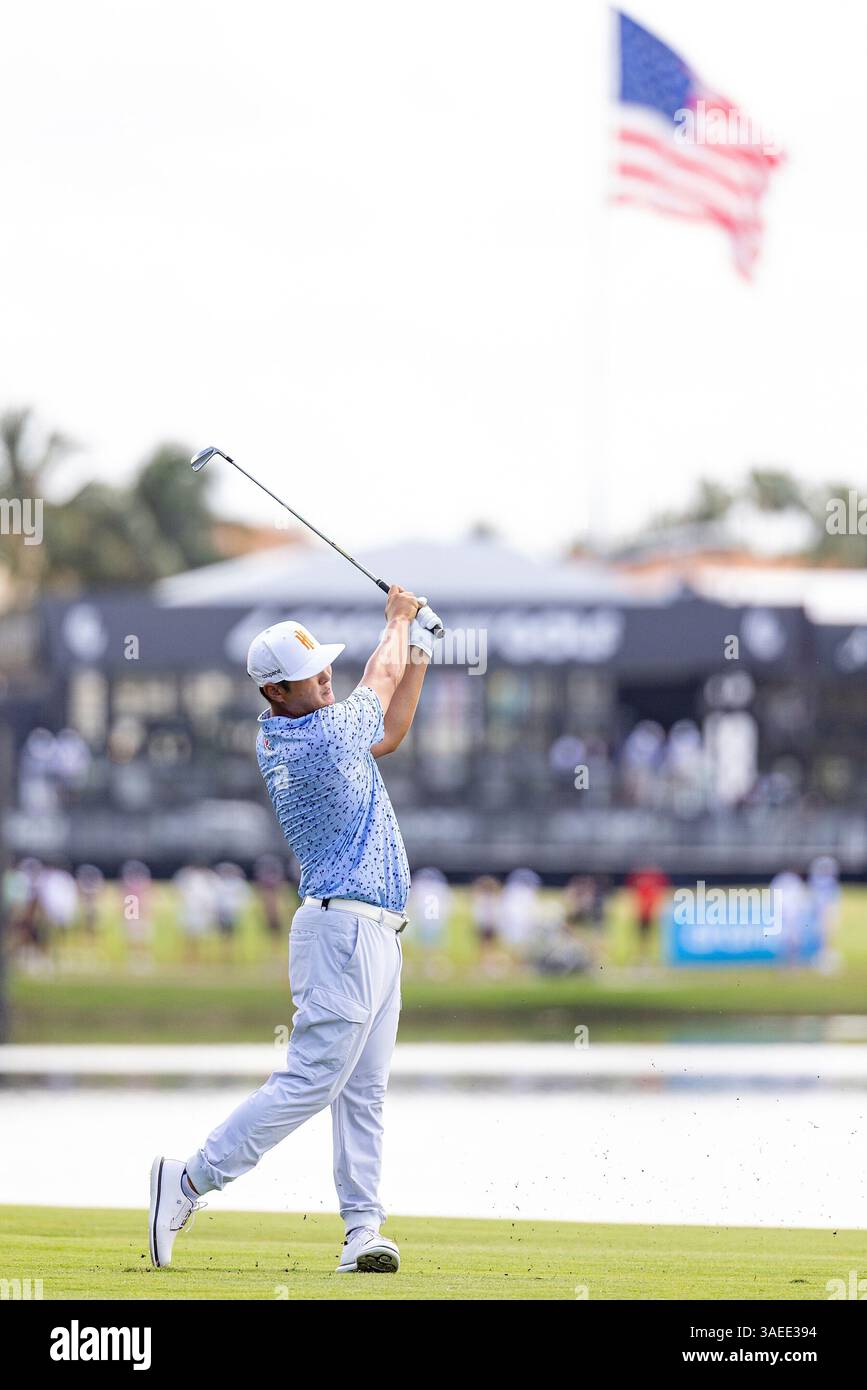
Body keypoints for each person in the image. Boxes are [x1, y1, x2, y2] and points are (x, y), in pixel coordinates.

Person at [150, 586, 440, 1275]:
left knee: (362, 1092)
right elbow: (381, 677)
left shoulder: (319, 729)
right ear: (277, 692)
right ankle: (187, 1182)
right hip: (341, 930)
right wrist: (399, 622)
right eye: (312, 675)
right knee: (311, 1081)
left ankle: (361, 1233)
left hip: (373, 932)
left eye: (324, 667)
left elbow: (390, 731)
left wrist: (422, 647)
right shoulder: (317, 737)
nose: (326, 677)